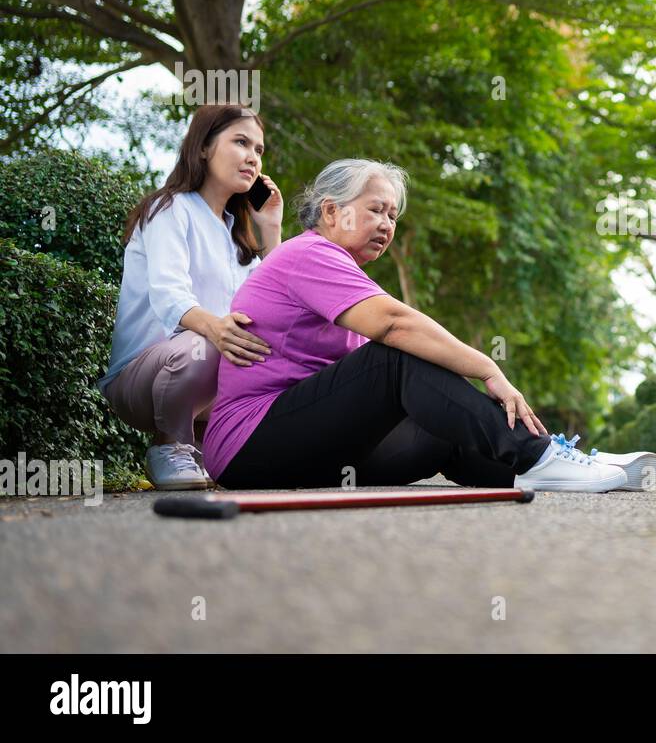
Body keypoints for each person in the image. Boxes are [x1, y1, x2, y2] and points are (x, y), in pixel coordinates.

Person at [204, 158, 632, 493]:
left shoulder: (339, 273)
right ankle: (540, 456)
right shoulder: (309, 254)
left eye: (393, 215)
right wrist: (487, 369)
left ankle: (536, 468)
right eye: (376, 210)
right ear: (332, 212)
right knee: (397, 355)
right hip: (249, 446)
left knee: (437, 423)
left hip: (300, 445)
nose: (388, 224)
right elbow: (394, 327)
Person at [97, 104, 284, 490]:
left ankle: (208, 447)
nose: (252, 156)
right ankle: (170, 445)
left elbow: (272, 305)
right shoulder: (168, 210)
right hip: (142, 379)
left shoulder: (237, 235)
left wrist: (271, 231)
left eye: (259, 150)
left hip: (207, 377)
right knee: (210, 341)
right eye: (240, 142)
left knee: (275, 350)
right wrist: (219, 330)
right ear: (202, 148)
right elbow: (169, 296)